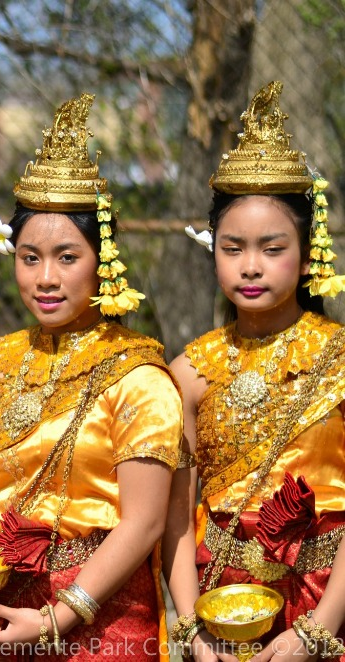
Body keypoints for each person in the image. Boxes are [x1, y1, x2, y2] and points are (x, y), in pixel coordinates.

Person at [0, 93, 183, 661]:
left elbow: (145, 522)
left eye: (67, 257)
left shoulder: (139, 376)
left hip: (103, 617)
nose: (46, 278)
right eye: (29, 257)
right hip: (6, 608)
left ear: (102, 261)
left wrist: (58, 619)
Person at [164, 81, 345, 662]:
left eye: (272, 248)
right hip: (216, 605)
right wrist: (191, 627)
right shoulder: (189, 370)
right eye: (232, 247)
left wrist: (317, 631)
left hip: (325, 605)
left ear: (308, 248)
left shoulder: (340, 358)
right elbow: (175, 520)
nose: (249, 267)